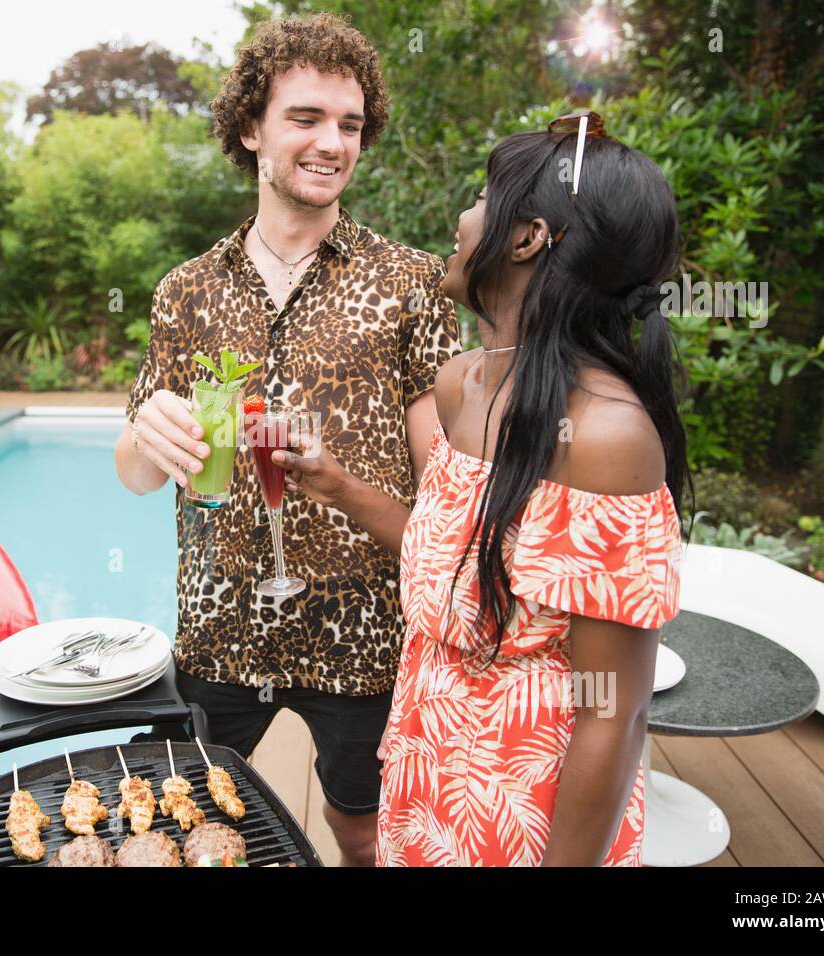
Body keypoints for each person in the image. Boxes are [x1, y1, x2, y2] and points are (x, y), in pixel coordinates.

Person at [273, 112, 690, 865]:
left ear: (527, 237)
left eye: (480, 196)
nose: (464, 218)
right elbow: (459, 567)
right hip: (421, 789)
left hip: (525, 822)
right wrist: (336, 485)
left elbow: (612, 714)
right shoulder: (463, 382)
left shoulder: (606, 440)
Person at [113, 13, 461, 866]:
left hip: (367, 628)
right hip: (221, 620)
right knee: (198, 821)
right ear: (250, 128)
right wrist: (143, 436)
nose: (331, 143)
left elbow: (443, 492)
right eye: (305, 118)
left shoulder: (411, 282)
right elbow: (135, 476)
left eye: (349, 124)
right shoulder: (185, 291)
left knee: (363, 828)